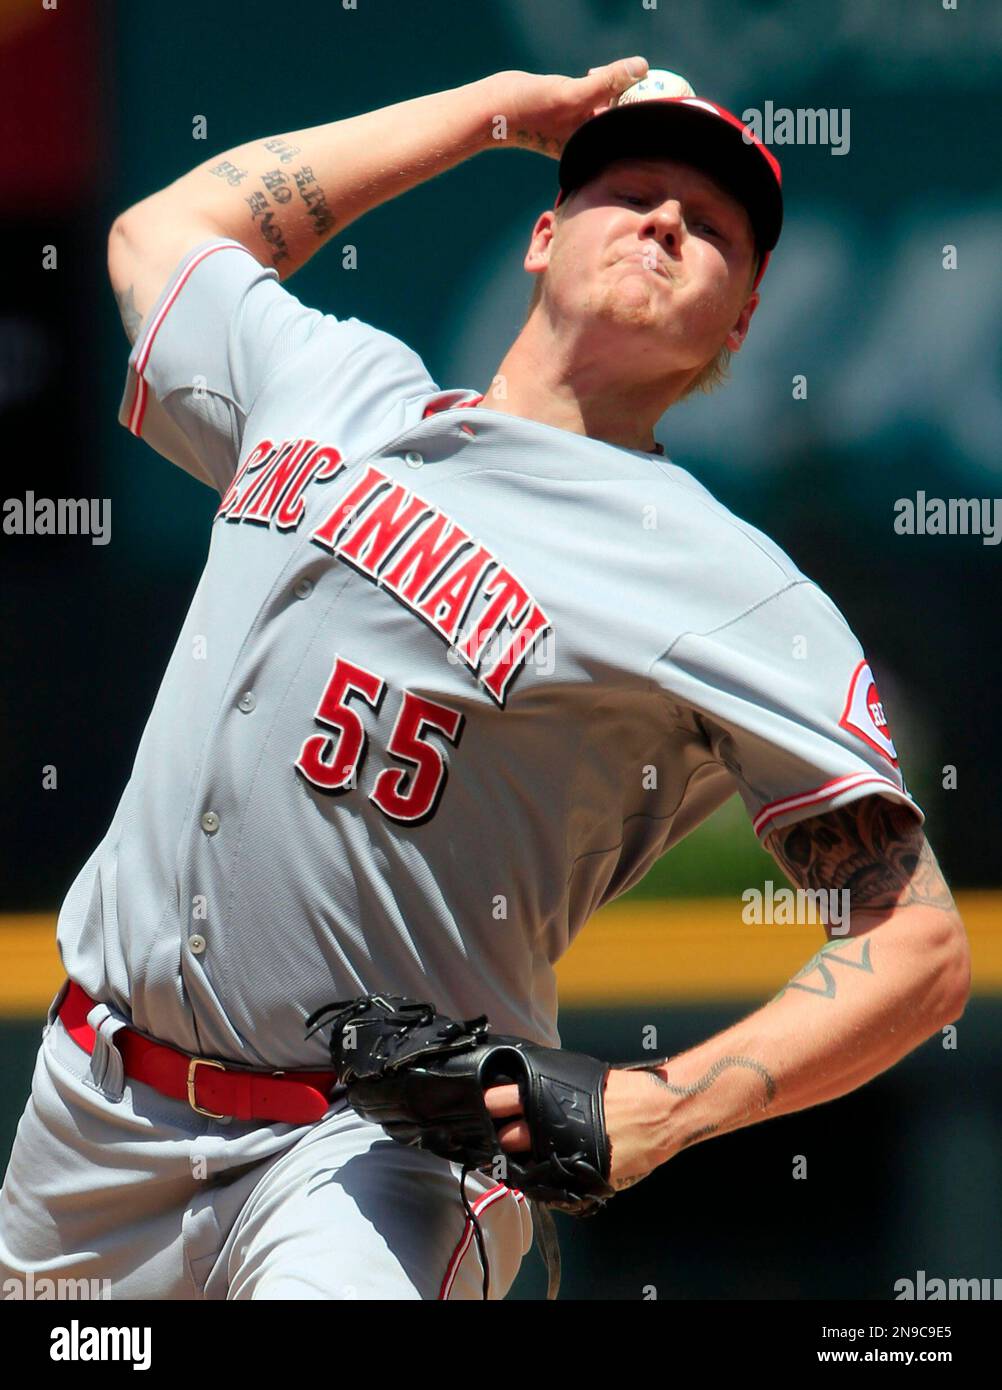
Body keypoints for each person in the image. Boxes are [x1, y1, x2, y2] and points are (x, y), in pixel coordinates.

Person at [0, 57, 970, 1301]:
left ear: (742, 322)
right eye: (632, 190)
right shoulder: (333, 379)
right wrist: (491, 113)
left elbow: (923, 945)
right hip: (91, 1113)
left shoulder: (731, 585)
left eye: (715, 224)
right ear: (544, 233)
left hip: (368, 1157)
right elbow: (161, 232)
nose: (669, 220)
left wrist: (661, 1106)